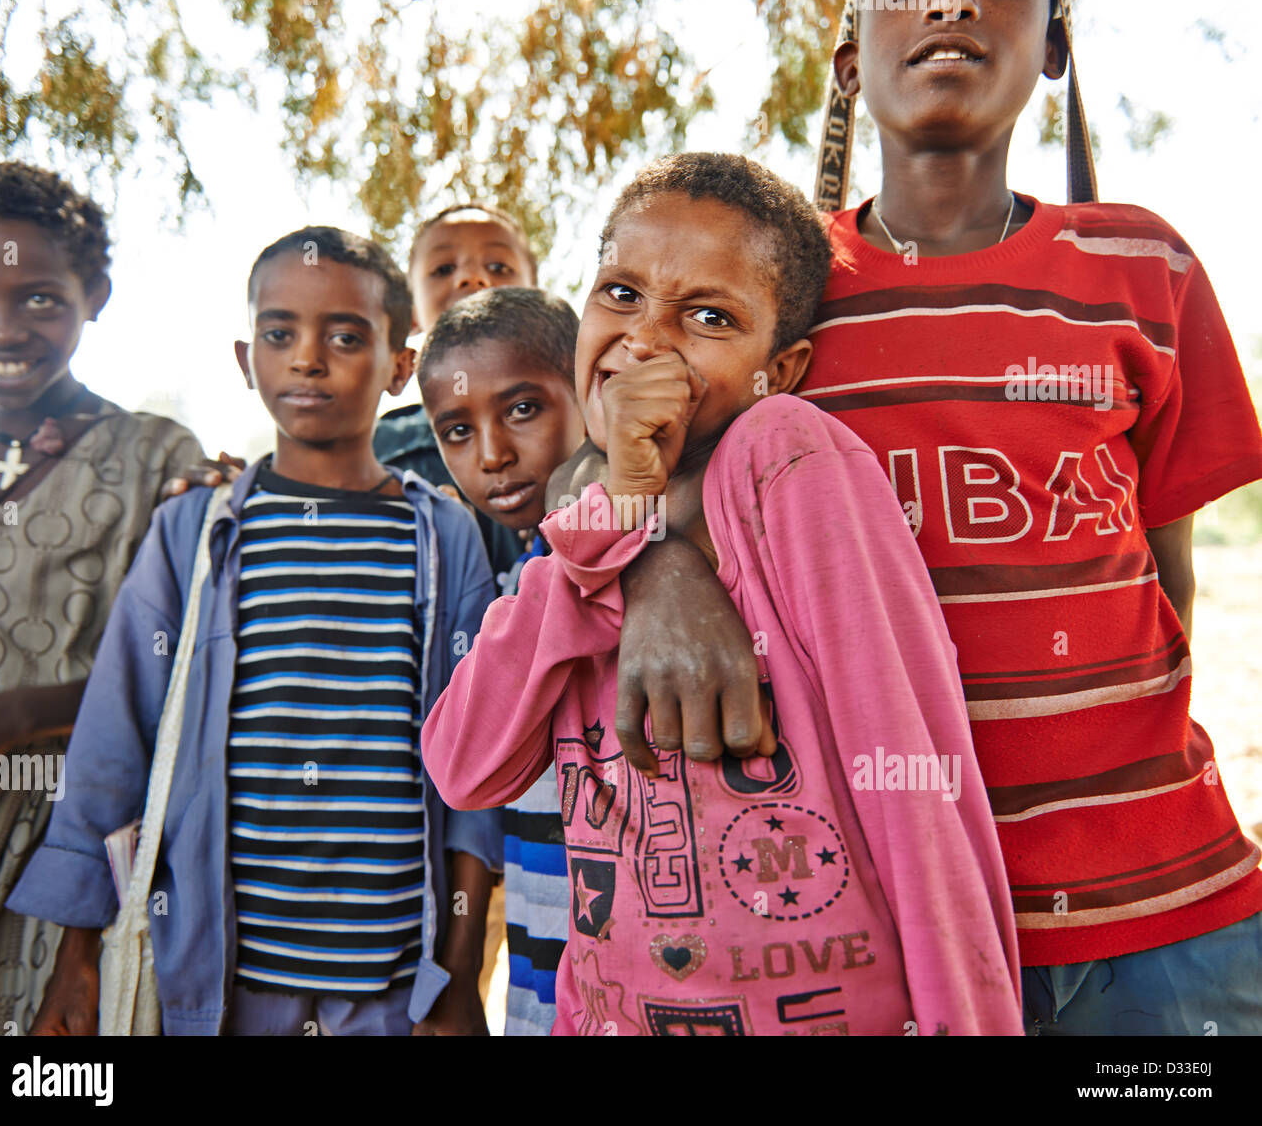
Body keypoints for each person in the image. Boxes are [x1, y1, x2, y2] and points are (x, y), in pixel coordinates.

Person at [602, 0, 1262, 1035]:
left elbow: (1165, 581)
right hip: (885, 919)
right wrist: (657, 573)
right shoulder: (771, 298)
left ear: (1052, 44)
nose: (947, 4)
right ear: (850, 54)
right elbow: (591, 473)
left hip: (1166, 918)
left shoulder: (1147, 271)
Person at [422, 153, 1023, 1036]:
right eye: (620, 294)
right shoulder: (583, 534)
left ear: (778, 368)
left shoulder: (785, 455)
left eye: (707, 316)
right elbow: (464, 763)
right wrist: (622, 506)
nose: (645, 341)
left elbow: (914, 779)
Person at [8, 226, 501, 1035]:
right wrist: (77, 958)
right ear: (247, 360)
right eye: (280, 334)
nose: (308, 359)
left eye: (346, 336)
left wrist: (456, 977)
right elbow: (111, 749)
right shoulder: (194, 535)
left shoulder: (444, 539)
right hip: (219, 988)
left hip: (389, 993)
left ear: (400, 366)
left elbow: (473, 783)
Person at [0, 162, 203, 1035]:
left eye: (37, 297)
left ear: (94, 292)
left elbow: (183, 682)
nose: (1, 327)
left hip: (78, 852)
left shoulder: (155, 460)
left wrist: (17, 712)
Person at [417, 286, 586, 1035]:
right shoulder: (521, 584)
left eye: (522, 409)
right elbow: (466, 769)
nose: (491, 454)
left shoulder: (653, 550)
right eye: (457, 430)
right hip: (545, 974)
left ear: (589, 387)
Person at [374, 203, 540, 585]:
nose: (472, 278)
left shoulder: (592, 429)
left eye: (499, 267)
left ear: (536, 293)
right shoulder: (379, 450)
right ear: (412, 311)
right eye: (443, 269)